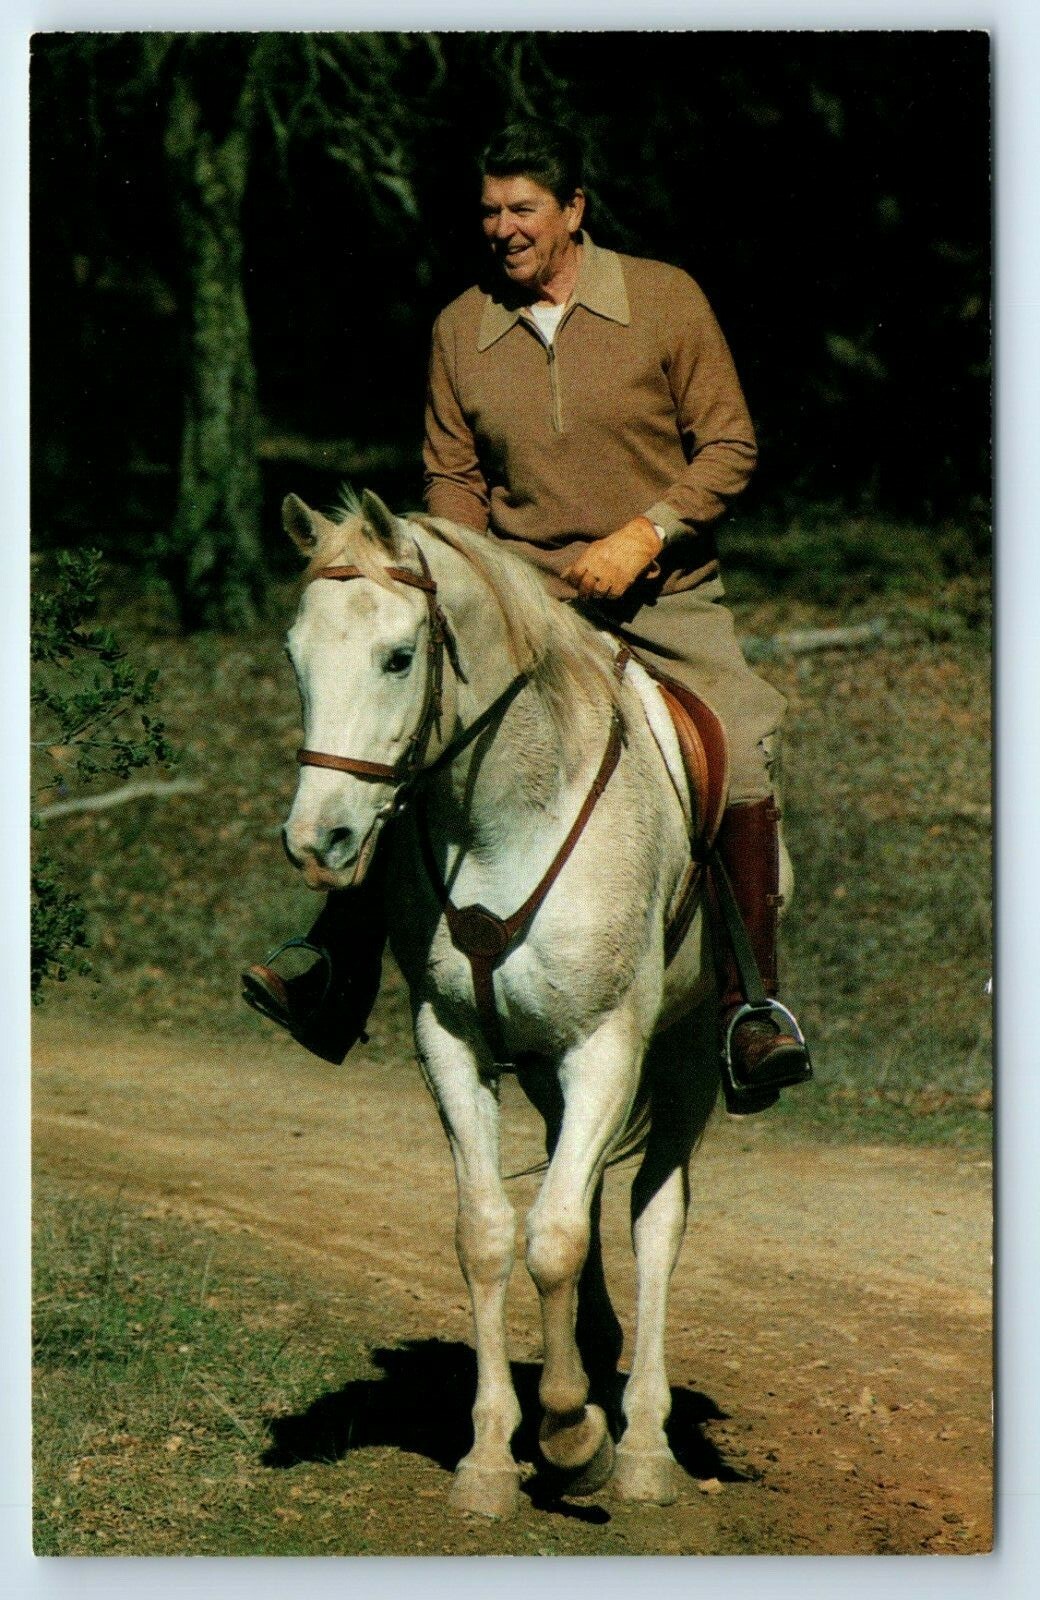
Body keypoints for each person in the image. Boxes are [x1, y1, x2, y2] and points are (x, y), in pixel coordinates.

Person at [244, 119, 811, 1110]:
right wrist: (470, 575)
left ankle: (748, 1006)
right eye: (489, 212)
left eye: (523, 210)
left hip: (664, 596)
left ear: (572, 211)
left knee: (743, 748)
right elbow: (452, 480)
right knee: (415, 735)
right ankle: (334, 968)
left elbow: (725, 446)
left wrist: (645, 533)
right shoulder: (461, 327)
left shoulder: (662, 298)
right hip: (524, 606)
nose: (503, 229)